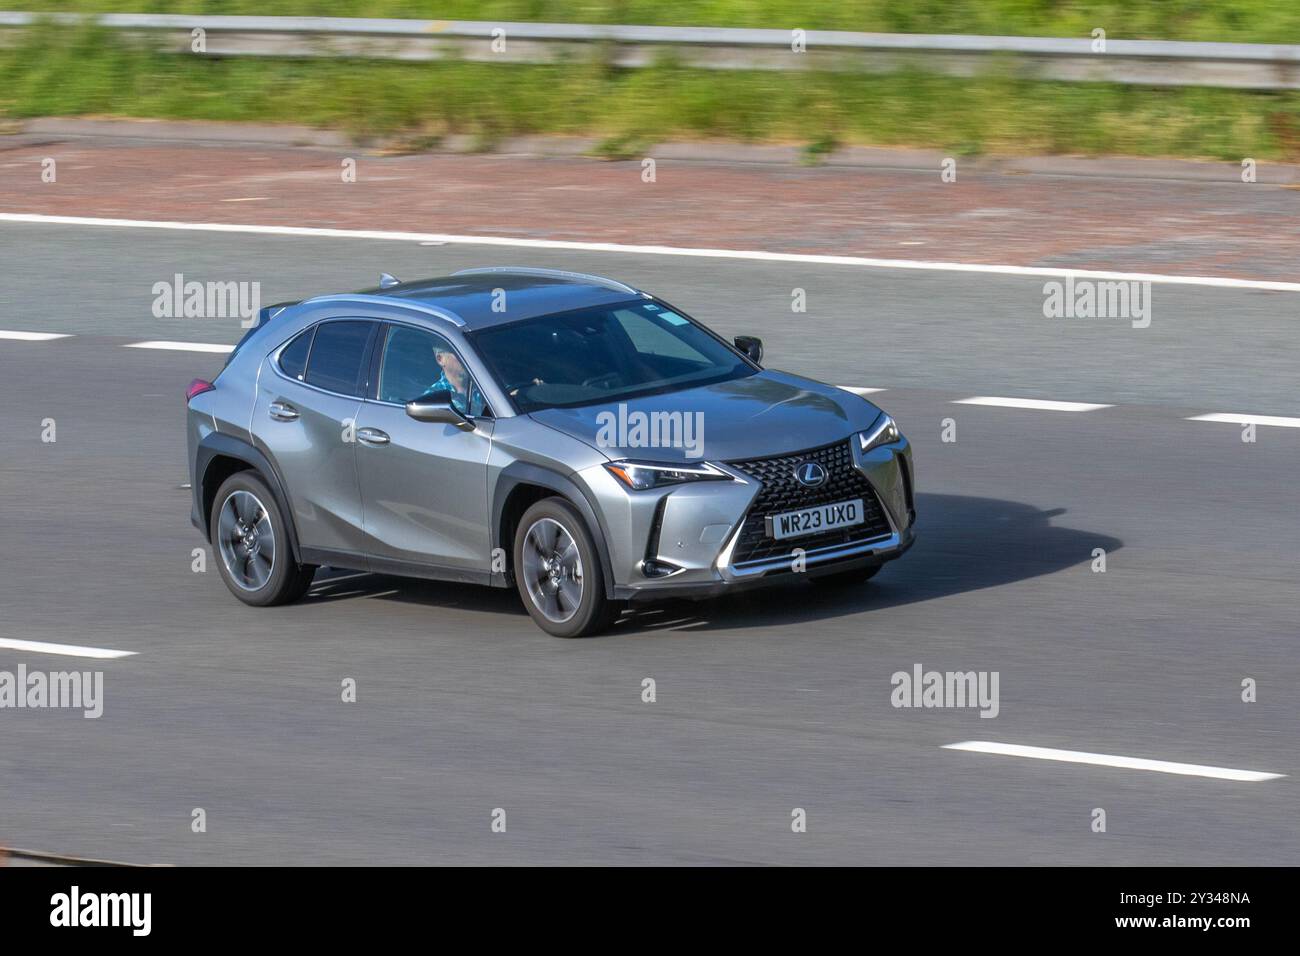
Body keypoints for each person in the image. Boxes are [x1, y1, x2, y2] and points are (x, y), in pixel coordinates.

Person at [428, 343, 484, 416]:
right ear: (440, 359)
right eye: (460, 353)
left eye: (470, 353)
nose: (469, 359)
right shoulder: (433, 399)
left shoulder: (487, 387)